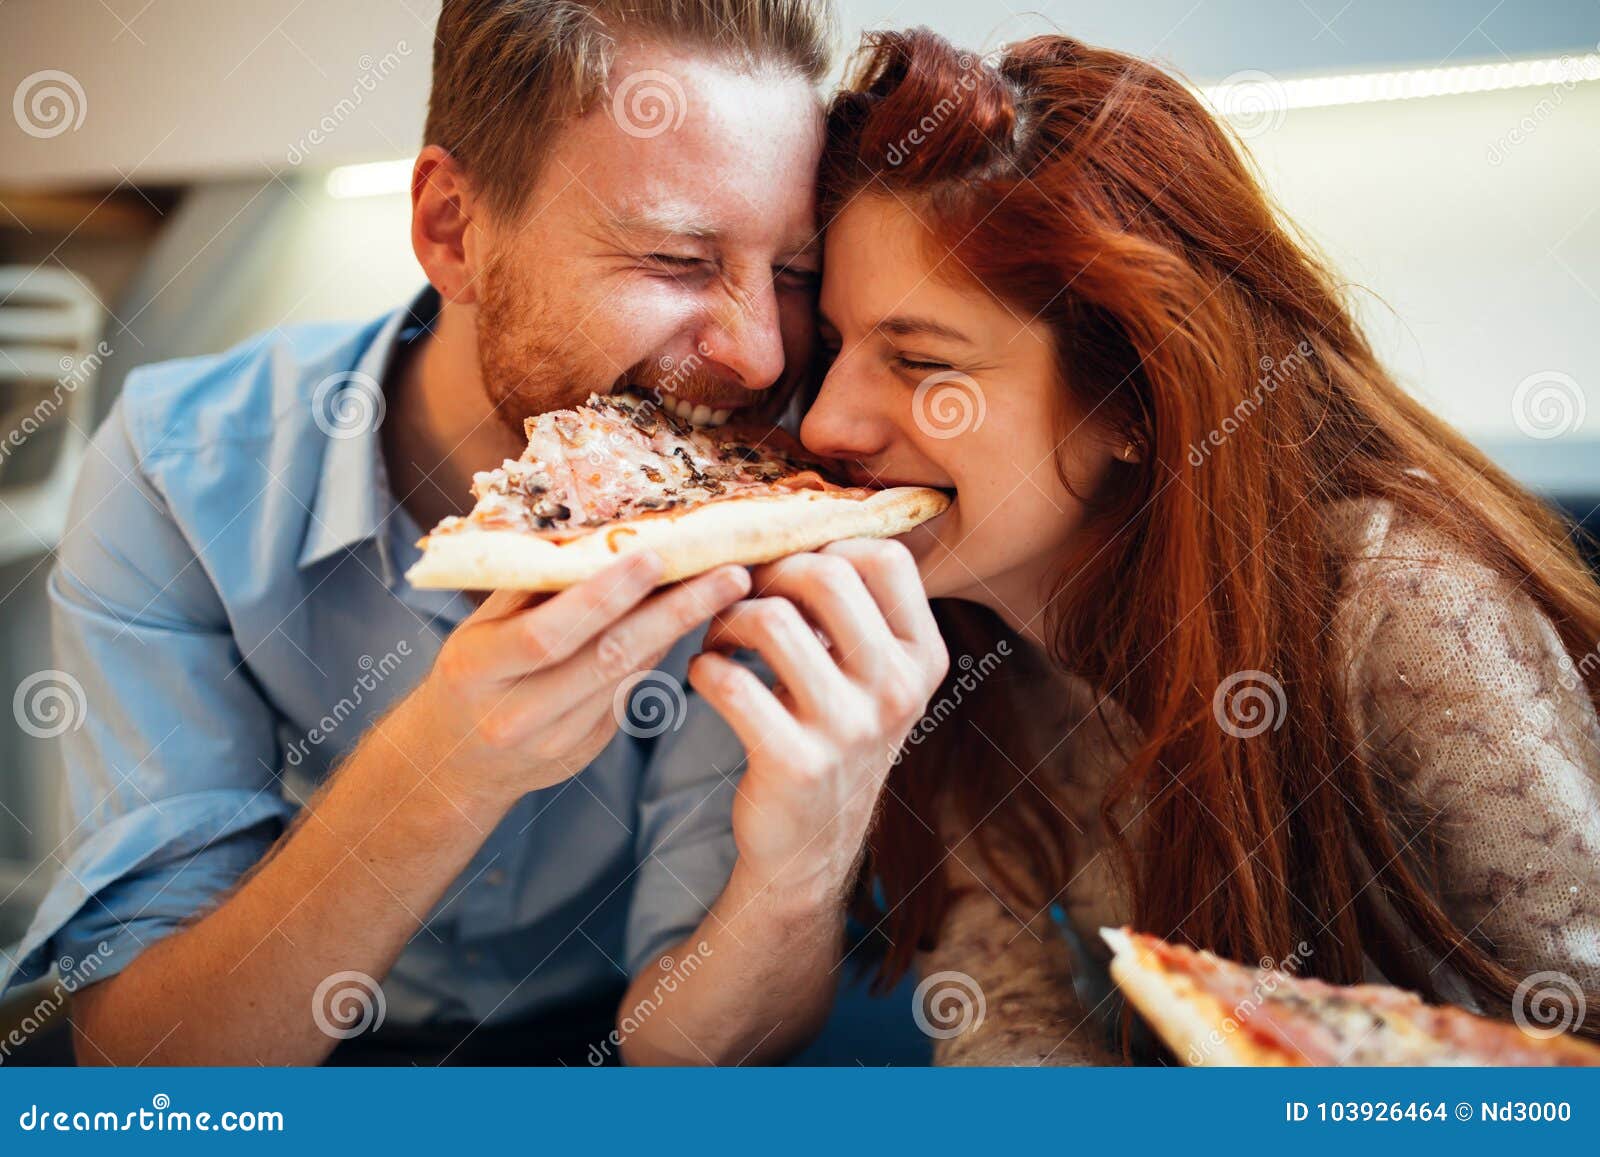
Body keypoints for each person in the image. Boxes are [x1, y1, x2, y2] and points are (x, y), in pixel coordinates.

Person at [0, 0, 949, 1067]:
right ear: (452, 226)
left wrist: (805, 863)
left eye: (790, 273)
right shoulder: (179, 470)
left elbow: (698, 1060)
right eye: (679, 260)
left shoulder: (780, 483)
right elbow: (147, 1072)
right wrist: (439, 771)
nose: (762, 359)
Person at [798, 28, 1600, 1064]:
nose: (825, 423)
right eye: (833, 346)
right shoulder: (958, 653)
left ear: (1141, 394)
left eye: (918, 359)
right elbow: (1008, 1003)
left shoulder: (1405, 610)